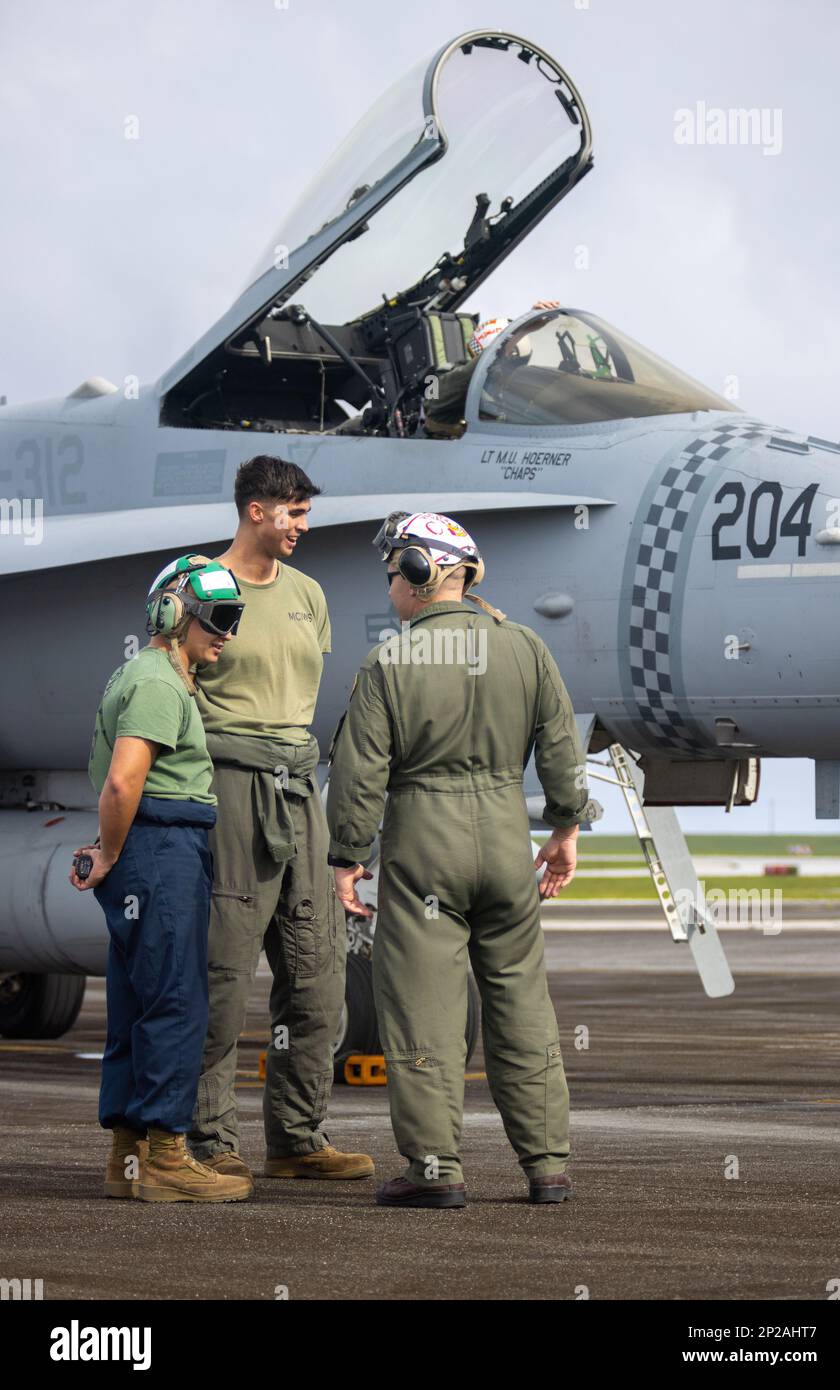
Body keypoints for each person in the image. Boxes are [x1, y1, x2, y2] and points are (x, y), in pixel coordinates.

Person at [326, 511, 586, 1208]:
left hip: (423, 850)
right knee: (522, 1005)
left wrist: (347, 857)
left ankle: (435, 1170)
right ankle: (547, 1167)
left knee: (423, 1012)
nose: (388, 592)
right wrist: (564, 831)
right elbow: (561, 752)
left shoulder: (389, 662)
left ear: (422, 570)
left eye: (392, 575)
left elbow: (359, 776)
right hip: (505, 845)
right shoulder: (526, 647)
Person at [187, 455, 373, 1185]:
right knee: (222, 972)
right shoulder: (198, 584)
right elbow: (173, 680)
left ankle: (296, 1137)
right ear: (255, 511)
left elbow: (298, 693)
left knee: (318, 974)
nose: (302, 525)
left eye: (305, 512)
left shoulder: (308, 594)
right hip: (227, 786)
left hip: (299, 790)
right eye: (292, 512)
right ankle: (206, 1141)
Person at [70, 554, 251, 1203]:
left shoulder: (145, 674)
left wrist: (111, 852)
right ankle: (170, 1156)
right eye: (218, 618)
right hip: (161, 851)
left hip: (146, 849)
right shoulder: (157, 683)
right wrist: (114, 854)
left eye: (234, 618)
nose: (227, 631)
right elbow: (123, 780)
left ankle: (127, 1155)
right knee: (175, 999)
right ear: (174, 614)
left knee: (135, 1002)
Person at [424, 299, 560, 435]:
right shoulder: (443, 386)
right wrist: (520, 331)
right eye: (507, 366)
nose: (511, 374)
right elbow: (467, 375)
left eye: (520, 365)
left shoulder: (510, 396)